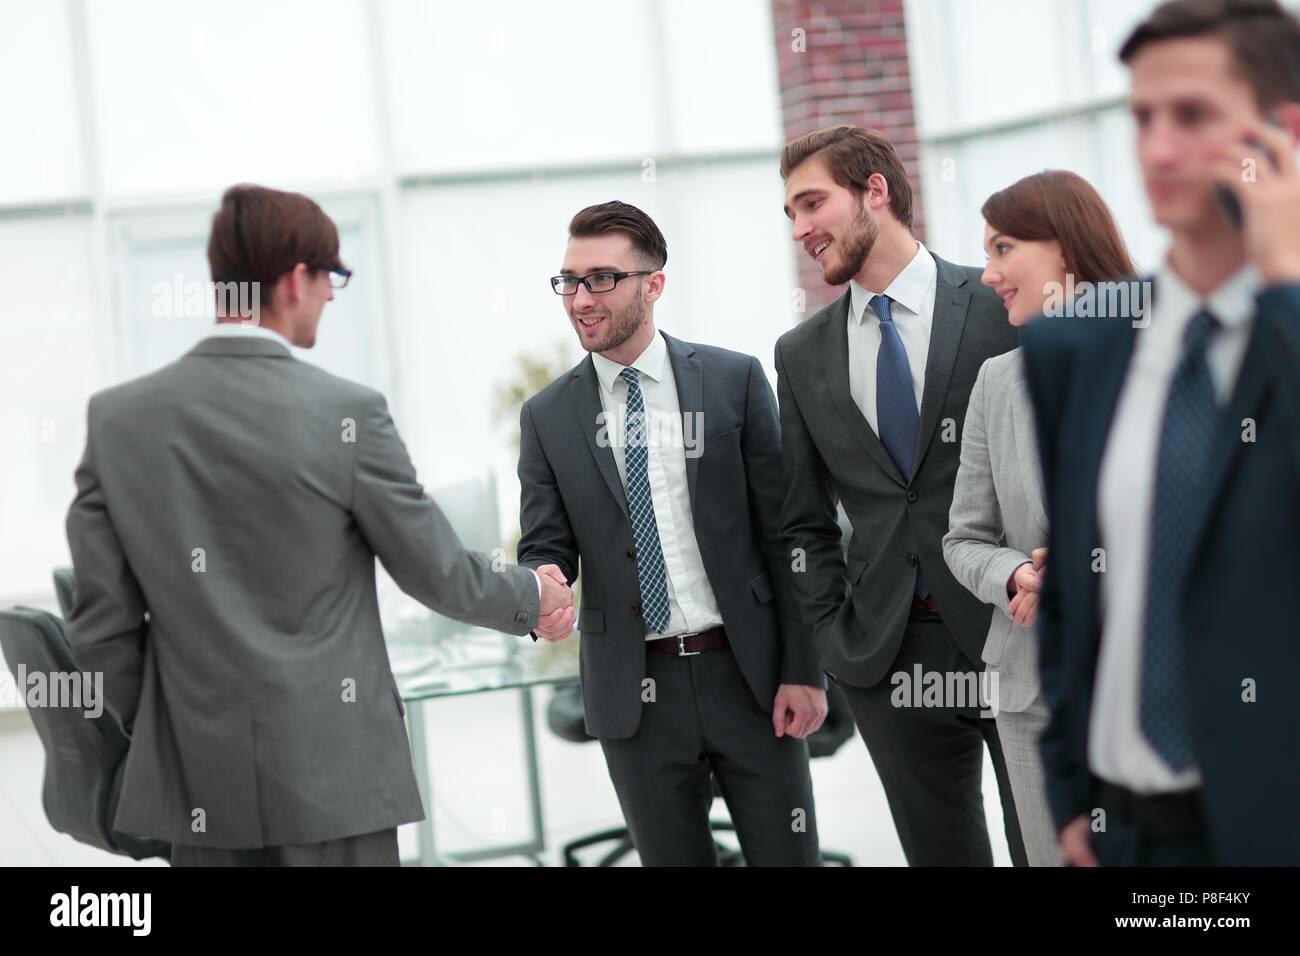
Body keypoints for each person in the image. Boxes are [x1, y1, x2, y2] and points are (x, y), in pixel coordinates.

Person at [64, 183, 573, 867]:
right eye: (331, 276)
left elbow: (100, 633)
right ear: (294, 278)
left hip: (197, 789)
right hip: (337, 783)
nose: (334, 296)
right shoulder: (345, 413)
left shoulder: (118, 421)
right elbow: (439, 572)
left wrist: (167, 740)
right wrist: (535, 597)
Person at [1022, 0, 1300, 865]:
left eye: (1194, 115)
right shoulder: (1076, 349)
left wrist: (1285, 280)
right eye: (1143, 117)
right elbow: (1074, 583)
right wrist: (1067, 792)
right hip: (1125, 833)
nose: (1160, 148)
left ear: (1282, 132)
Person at [516, 201, 824, 866]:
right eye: (568, 281)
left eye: (602, 279)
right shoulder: (548, 416)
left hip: (750, 677)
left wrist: (803, 669)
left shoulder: (733, 381)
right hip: (636, 692)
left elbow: (786, 535)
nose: (579, 299)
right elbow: (545, 542)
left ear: (653, 283)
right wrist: (546, 576)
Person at [775, 125, 1026, 865]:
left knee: (1049, 846)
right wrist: (831, 632)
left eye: (812, 203)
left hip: (1014, 630)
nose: (800, 230)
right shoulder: (801, 354)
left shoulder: (994, 305)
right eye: (789, 214)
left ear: (874, 192)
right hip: (887, 654)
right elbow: (801, 520)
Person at [943, 170, 1137, 866]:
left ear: (1065, 246)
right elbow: (963, 537)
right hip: (1036, 694)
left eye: (1003, 249)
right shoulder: (999, 382)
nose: (989, 273)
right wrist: (1019, 572)